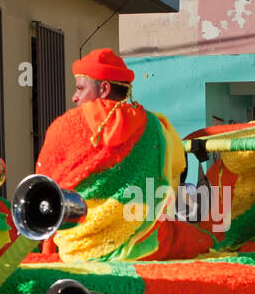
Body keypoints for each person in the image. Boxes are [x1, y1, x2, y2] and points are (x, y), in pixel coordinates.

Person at [35, 48, 213, 261]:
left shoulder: (65, 125)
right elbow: (174, 175)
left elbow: (44, 187)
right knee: (205, 241)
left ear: (104, 89)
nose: (75, 97)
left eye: (80, 89)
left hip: (76, 249)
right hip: (144, 243)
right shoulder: (156, 125)